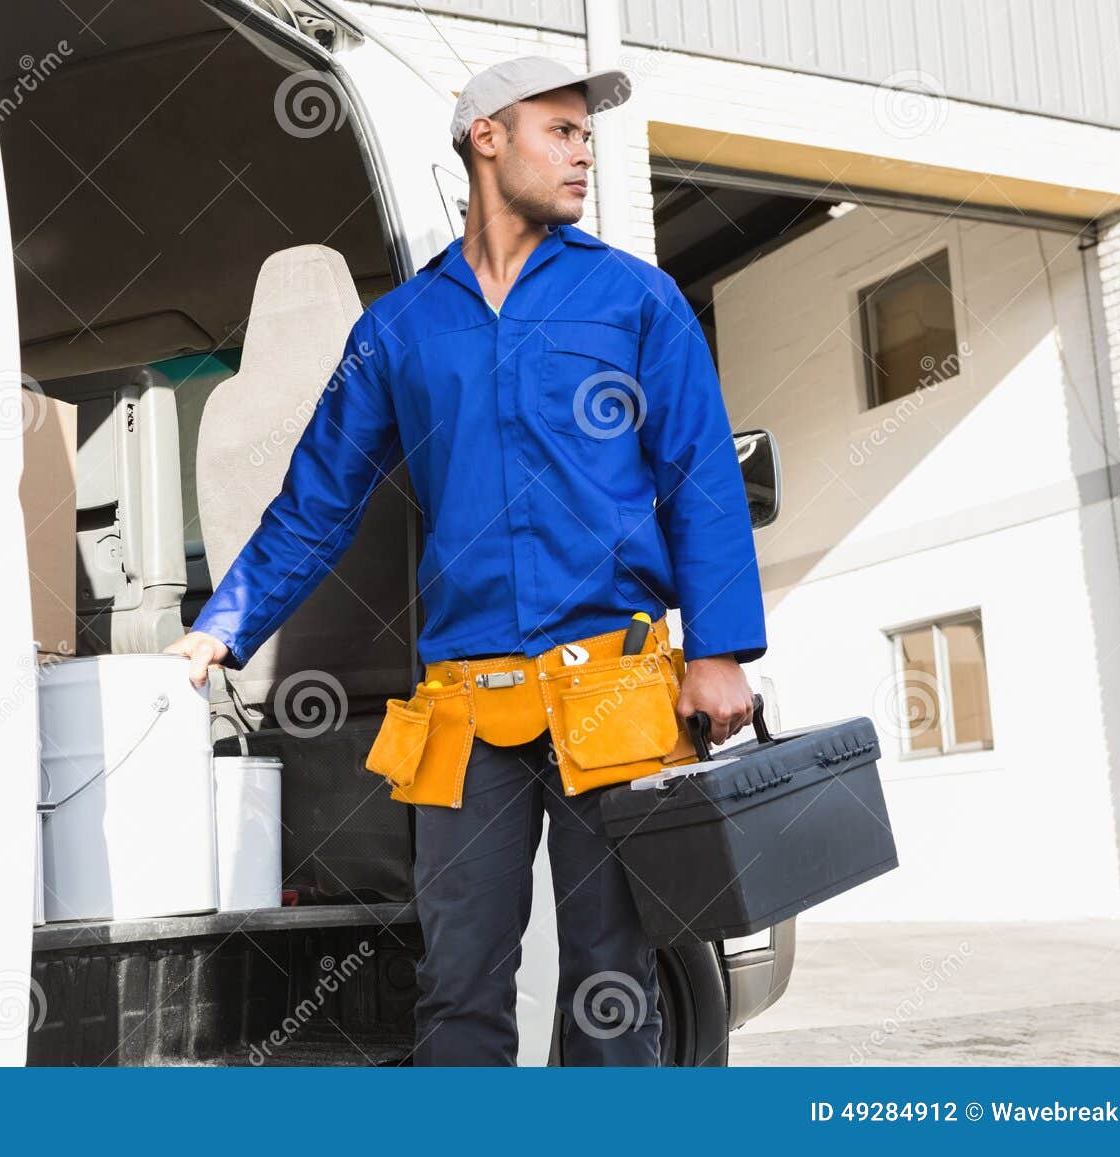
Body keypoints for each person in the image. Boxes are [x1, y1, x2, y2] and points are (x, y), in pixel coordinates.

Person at [164, 55, 767, 1065]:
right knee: (456, 981)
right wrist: (223, 625)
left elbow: (700, 476)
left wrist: (720, 648)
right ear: (486, 136)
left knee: (614, 978)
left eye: (585, 134)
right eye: (560, 131)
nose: (584, 153)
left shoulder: (634, 299)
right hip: (463, 699)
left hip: (612, 683)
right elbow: (318, 499)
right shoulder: (399, 328)